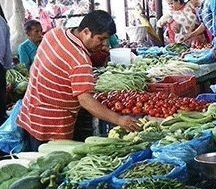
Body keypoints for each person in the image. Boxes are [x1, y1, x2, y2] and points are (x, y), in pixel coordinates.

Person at [17, 11, 141, 149]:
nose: (105, 44)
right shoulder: (80, 60)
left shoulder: (55, 33)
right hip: (53, 127)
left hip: (29, 114)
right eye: (101, 39)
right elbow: (85, 100)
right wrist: (119, 119)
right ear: (86, 32)